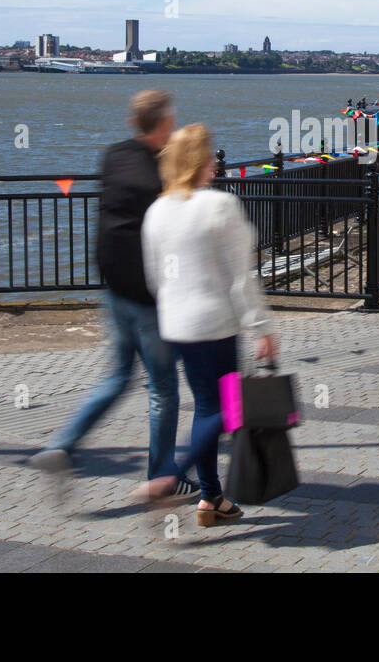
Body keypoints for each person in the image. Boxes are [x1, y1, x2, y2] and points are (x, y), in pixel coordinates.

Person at [30, 91, 196, 500]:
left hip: (114, 288)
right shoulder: (158, 178)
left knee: (118, 376)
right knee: (163, 389)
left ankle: (62, 445)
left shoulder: (113, 156)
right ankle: (163, 475)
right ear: (163, 123)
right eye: (171, 120)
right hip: (147, 297)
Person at [136, 123, 279, 523]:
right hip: (215, 324)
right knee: (229, 409)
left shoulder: (158, 209)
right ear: (201, 161)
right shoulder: (220, 206)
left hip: (175, 323)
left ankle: (212, 498)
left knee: (205, 406)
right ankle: (169, 476)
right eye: (211, 153)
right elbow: (242, 277)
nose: (216, 159)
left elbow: (154, 276)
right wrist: (261, 327)